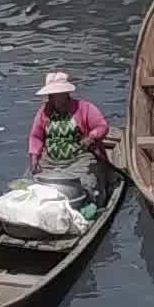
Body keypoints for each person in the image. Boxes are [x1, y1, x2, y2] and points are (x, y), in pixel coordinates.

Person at [27, 71, 115, 206]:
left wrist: (91, 137)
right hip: (50, 161)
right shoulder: (43, 112)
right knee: (36, 187)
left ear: (66, 93)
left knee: (88, 187)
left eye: (58, 95)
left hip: (80, 159)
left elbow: (102, 126)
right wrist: (34, 158)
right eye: (52, 95)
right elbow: (36, 136)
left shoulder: (85, 108)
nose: (54, 98)